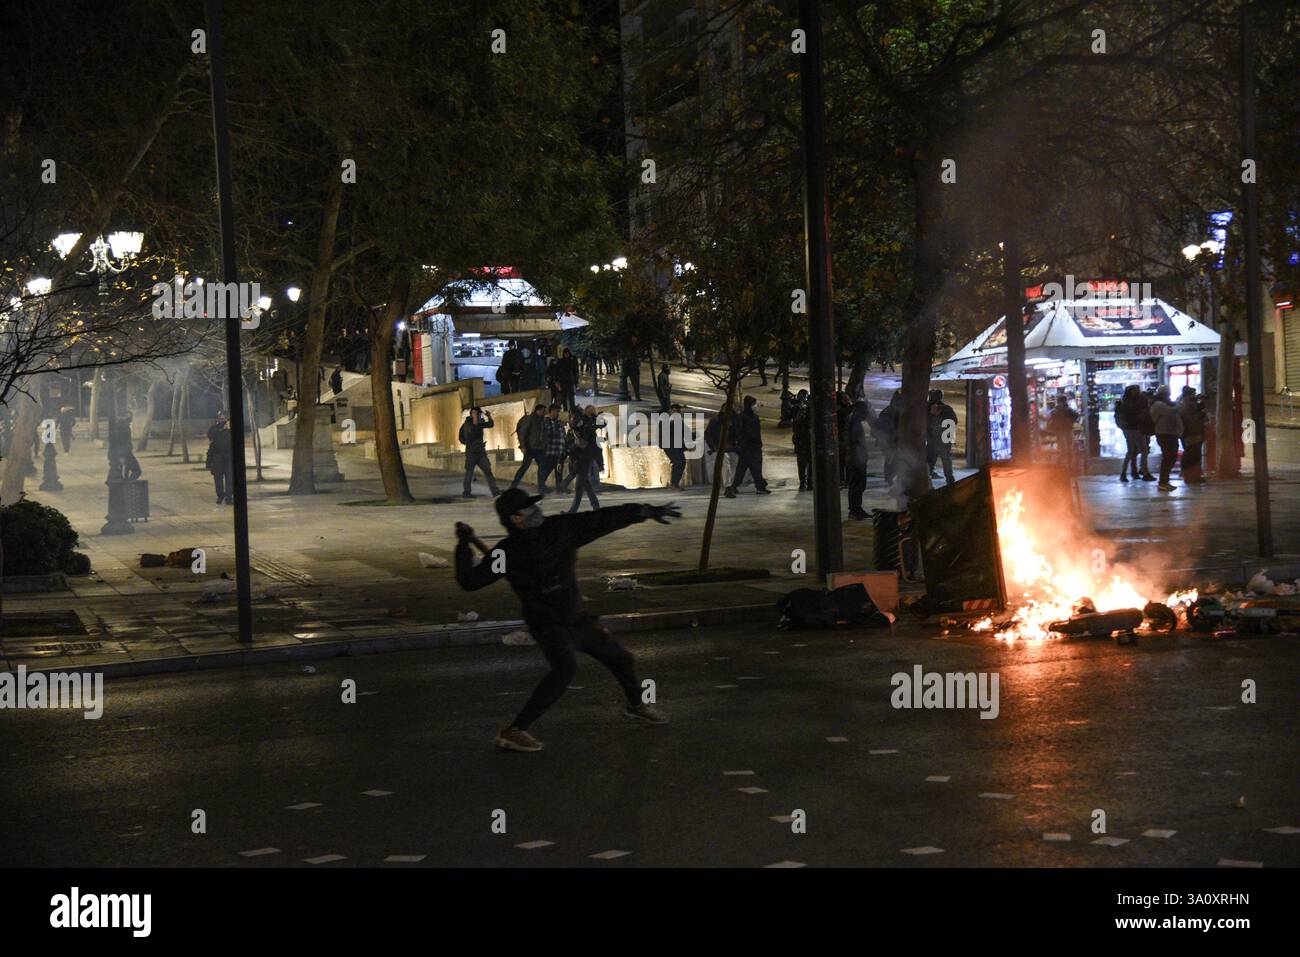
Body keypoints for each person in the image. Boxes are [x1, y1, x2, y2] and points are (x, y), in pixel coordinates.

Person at [455, 489, 679, 751]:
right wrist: (463, 547)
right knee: (564, 670)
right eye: (529, 508)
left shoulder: (560, 530)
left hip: (576, 618)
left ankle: (637, 705)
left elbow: (601, 520)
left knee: (621, 658)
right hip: (547, 624)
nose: (537, 511)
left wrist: (644, 511)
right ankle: (514, 731)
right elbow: (471, 581)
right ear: (515, 518)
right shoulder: (507, 554)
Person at [724, 395, 770, 497]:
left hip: (754, 447)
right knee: (746, 469)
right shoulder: (742, 418)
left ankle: (757, 486)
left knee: (752, 469)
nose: (756, 406)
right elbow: (738, 432)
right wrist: (742, 443)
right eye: (754, 404)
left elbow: (756, 433)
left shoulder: (754, 417)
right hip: (747, 448)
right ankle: (737, 486)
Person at [459, 406, 500, 498]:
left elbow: (490, 424)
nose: (476, 415)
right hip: (471, 453)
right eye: (474, 413)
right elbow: (467, 436)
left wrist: (489, 416)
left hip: (481, 453)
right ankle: (466, 493)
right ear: (471, 414)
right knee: (469, 473)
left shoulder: (480, 423)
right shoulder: (467, 424)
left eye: (478, 414)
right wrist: (470, 444)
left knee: (488, 471)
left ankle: (495, 491)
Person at [1117, 384, 1155, 482]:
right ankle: (1141, 472)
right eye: (1135, 390)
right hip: (1133, 429)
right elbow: (1136, 413)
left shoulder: (1127, 401)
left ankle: (1133, 472)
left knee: (1138, 451)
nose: (1137, 392)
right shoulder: (1130, 402)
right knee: (1138, 451)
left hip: (1134, 429)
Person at [568, 406, 603, 513]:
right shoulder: (579, 426)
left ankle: (573, 511)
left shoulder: (589, 426)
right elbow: (570, 442)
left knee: (579, 486)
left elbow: (596, 446)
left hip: (585, 459)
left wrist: (600, 463)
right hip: (579, 459)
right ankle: (596, 507)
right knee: (586, 485)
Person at [1150, 384, 1183, 491]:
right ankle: (1163, 482)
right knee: (1168, 458)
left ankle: (1165, 481)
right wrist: (1181, 402)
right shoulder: (1159, 405)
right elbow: (1173, 411)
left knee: (1170, 457)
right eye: (1167, 393)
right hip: (1164, 434)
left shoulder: (1164, 404)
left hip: (1170, 433)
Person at [510, 403, 548, 492]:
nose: (544, 412)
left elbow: (543, 434)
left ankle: (541, 487)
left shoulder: (542, 420)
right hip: (530, 448)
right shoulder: (530, 419)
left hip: (539, 448)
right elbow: (523, 432)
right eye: (543, 411)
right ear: (538, 411)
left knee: (542, 467)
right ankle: (513, 486)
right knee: (524, 467)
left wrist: (544, 445)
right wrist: (523, 446)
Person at [926, 389, 957, 486]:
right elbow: (954, 421)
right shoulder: (946, 408)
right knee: (943, 459)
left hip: (937, 439)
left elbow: (953, 421)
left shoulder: (933, 408)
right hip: (941, 439)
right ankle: (948, 478)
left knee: (932, 459)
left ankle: (929, 477)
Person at [847, 397, 872, 519]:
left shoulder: (854, 420)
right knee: (857, 484)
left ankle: (857, 508)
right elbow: (855, 442)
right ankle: (854, 510)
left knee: (859, 484)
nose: (866, 414)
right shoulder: (854, 422)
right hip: (855, 459)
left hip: (857, 458)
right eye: (865, 411)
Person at [1177, 387, 1206, 484]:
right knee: (1191, 454)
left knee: (1195, 454)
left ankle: (1195, 475)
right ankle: (1190, 476)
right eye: (1193, 394)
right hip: (1190, 433)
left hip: (1193, 432)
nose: (1194, 396)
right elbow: (1192, 418)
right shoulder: (1185, 406)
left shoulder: (1187, 404)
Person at [1045, 393, 1080, 471]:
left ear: (1058, 401)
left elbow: (1051, 418)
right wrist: (1070, 421)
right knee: (1069, 448)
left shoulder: (1055, 410)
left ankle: (1063, 465)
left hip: (1059, 431)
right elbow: (1075, 416)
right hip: (1068, 429)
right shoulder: (1068, 409)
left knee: (1062, 448)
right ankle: (1070, 465)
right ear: (1065, 401)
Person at [874, 391, 901, 487]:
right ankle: (890, 477)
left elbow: (877, 425)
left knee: (889, 458)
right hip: (890, 440)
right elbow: (894, 427)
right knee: (892, 459)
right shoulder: (896, 411)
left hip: (885, 440)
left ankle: (889, 477)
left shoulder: (886, 410)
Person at [205, 411, 233, 504]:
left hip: (229, 457)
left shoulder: (229, 428)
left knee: (229, 478)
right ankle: (220, 495)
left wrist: (228, 429)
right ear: (217, 419)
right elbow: (210, 435)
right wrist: (220, 429)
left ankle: (229, 497)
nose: (222, 420)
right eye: (221, 418)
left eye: (224, 418)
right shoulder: (214, 428)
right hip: (217, 457)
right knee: (218, 478)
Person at [539, 403, 567, 492]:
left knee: (559, 471)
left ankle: (559, 488)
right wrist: (559, 426)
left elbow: (563, 436)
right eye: (556, 411)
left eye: (559, 412)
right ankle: (541, 487)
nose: (558, 414)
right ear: (551, 412)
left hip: (559, 451)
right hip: (550, 451)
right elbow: (549, 433)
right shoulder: (546, 421)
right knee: (547, 470)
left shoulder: (559, 422)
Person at [660, 403, 687, 490]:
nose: (676, 413)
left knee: (681, 462)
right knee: (679, 462)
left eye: (678, 411)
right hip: (670, 447)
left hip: (677, 447)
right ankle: (674, 484)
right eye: (674, 411)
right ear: (670, 411)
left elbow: (685, 432)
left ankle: (675, 483)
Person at [108, 412, 142, 482]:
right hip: (125, 453)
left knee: (124, 472)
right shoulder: (123, 427)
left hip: (124, 453)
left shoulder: (121, 425)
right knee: (137, 471)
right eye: (129, 417)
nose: (131, 419)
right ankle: (127, 484)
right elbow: (119, 442)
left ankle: (126, 483)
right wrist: (121, 456)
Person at [792, 389, 811, 491]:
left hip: (804, 442)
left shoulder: (808, 410)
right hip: (802, 442)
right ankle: (804, 483)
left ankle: (806, 483)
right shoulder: (797, 409)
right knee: (803, 464)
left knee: (806, 464)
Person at [835, 392, 853, 487]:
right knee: (844, 461)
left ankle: (844, 479)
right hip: (843, 439)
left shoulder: (841, 410)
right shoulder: (844, 411)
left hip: (843, 439)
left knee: (843, 462)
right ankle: (845, 480)